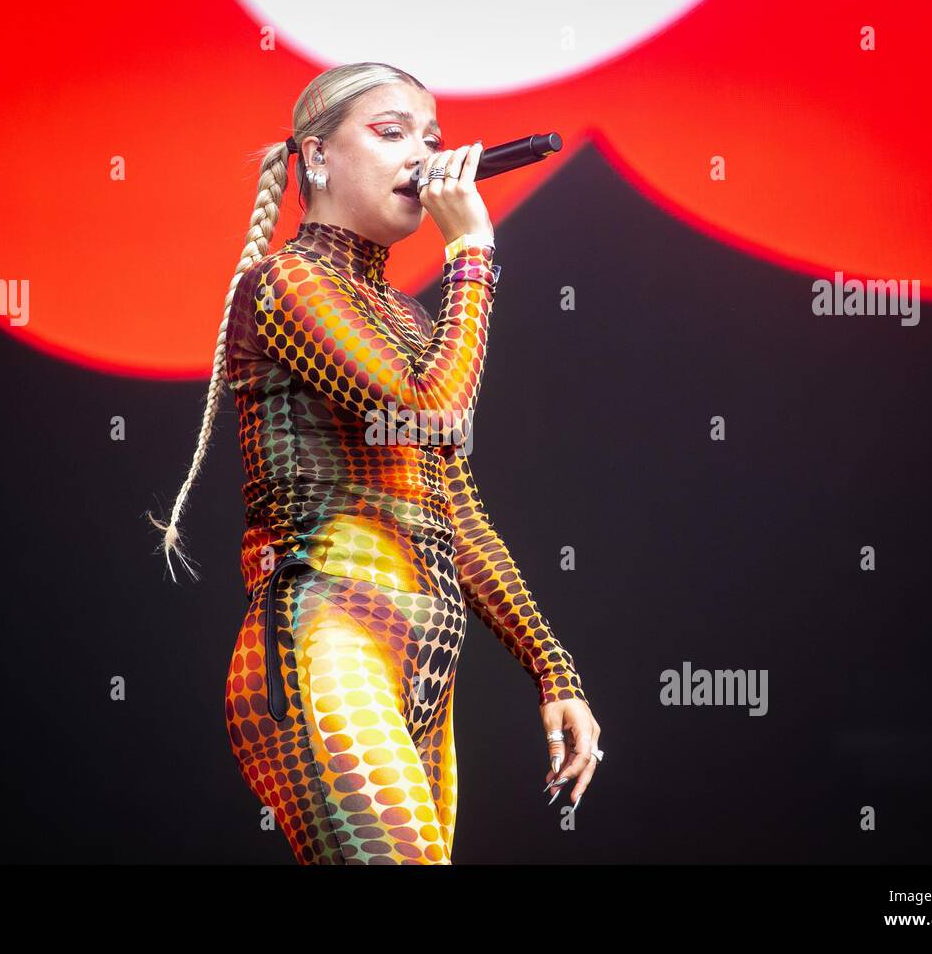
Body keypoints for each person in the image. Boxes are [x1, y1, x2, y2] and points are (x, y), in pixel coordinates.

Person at [148, 62, 602, 863]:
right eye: (391, 135)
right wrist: (472, 251)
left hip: (423, 669)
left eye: (431, 140)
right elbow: (434, 408)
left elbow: (453, 513)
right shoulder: (288, 282)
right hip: (326, 640)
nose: (421, 157)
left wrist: (553, 667)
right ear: (316, 157)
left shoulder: (405, 314)